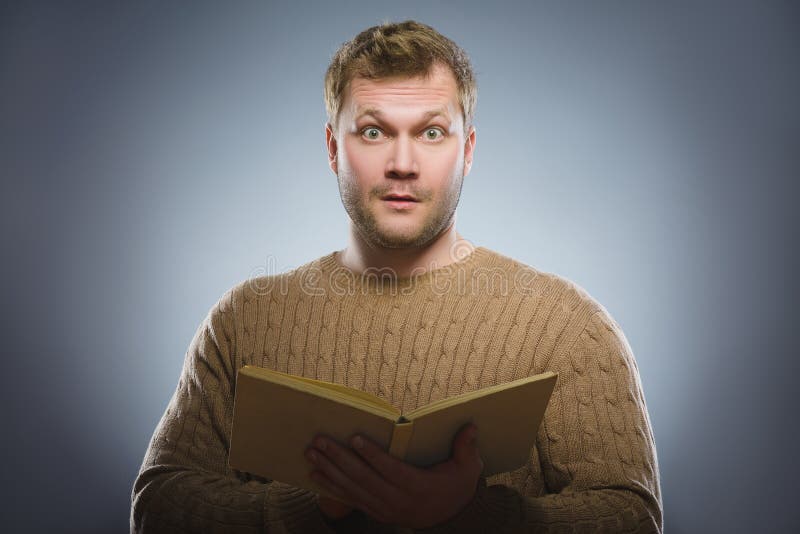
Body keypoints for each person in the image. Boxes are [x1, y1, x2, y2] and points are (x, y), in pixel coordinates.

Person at [131, 20, 662, 533]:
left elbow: (635, 520)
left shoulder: (567, 324)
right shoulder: (242, 320)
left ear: (468, 150)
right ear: (334, 148)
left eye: (431, 132)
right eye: (373, 131)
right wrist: (319, 507)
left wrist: (474, 515)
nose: (402, 163)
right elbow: (158, 509)